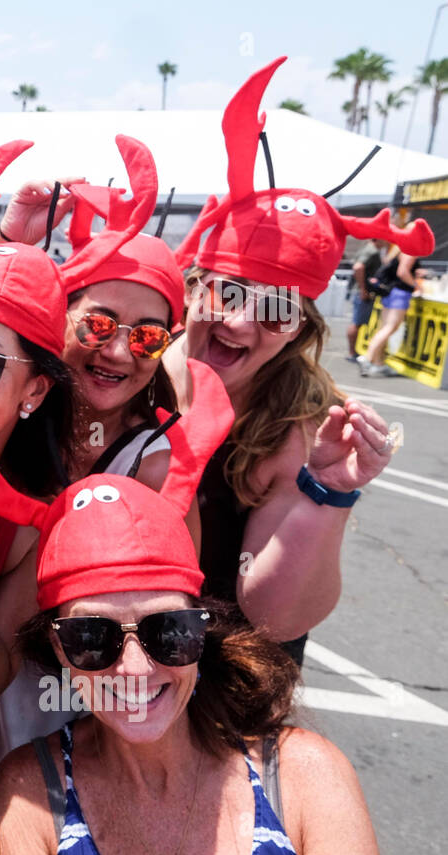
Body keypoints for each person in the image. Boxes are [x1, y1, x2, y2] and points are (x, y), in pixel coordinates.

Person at [0, 362, 379, 855]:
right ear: (57, 649)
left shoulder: (307, 774)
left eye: (169, 633)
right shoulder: (31, 789)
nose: (136, 670)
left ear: (203, 633)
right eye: (93, 637)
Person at [0, 138, 194, 768]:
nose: (118, 351)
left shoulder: (156, 460)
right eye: (100, 325)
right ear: (58, 328)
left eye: (147, 337)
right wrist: (10, 243)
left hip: (69, 711)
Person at [167, 57, 430, 663]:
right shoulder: (128, 373)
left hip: (225, 673)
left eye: (276, 310)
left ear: (298, 332)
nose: (238, 322)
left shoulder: (303, 425)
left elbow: (274, 618)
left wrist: (329, 493)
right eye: (226, 293)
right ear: (195, 288)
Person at [358, 244, 421, 377]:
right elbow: (402, 272)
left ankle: (378, 363)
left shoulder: (397, 251)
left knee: (384, 328)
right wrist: (416, 286)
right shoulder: (410, 251)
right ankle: (368, 358)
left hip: (390, 293)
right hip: (400, 294)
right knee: (390, 328)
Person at [345, 240, 384, 362]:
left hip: (361, 290)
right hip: (363, 291)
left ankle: (353, 352)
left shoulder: (367, 248)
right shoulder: (371, 250)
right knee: (357, 322)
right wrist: (363, 289)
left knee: (357, 322)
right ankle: (352, 353)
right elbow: (358, 267)